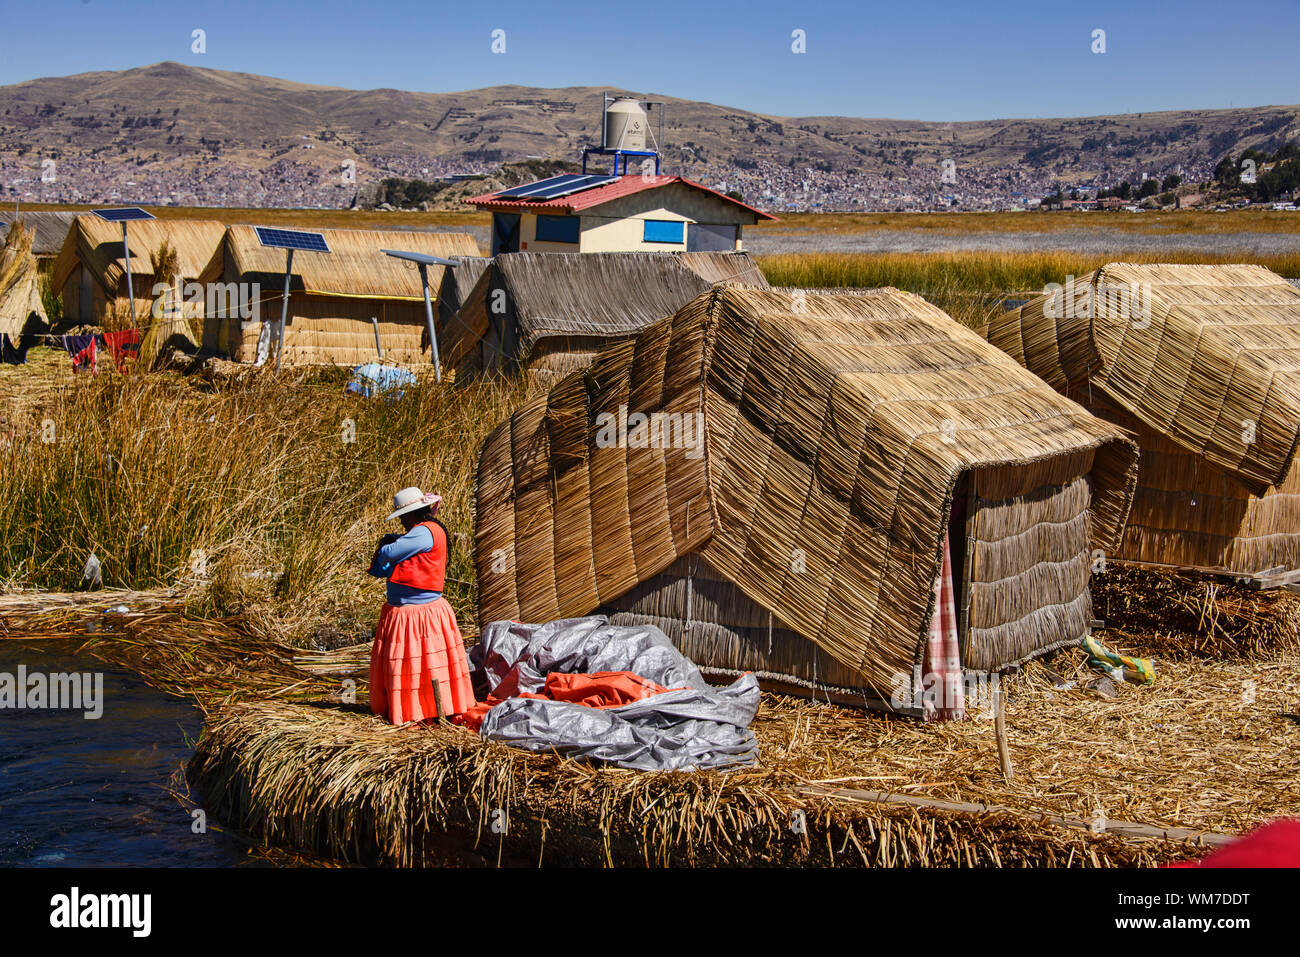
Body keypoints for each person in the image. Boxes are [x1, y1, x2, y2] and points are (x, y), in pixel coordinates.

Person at [366, 486, 474, 724]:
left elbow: (392, 552)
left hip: (418, 616)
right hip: (406, 613)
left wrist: (386, 546)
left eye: (404, 516)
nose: (402, 521)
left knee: (423, 666)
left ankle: (421, 709)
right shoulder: (421, 531)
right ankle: (413, 708)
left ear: (414, 513)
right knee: (414, 667)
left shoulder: (424, 533)